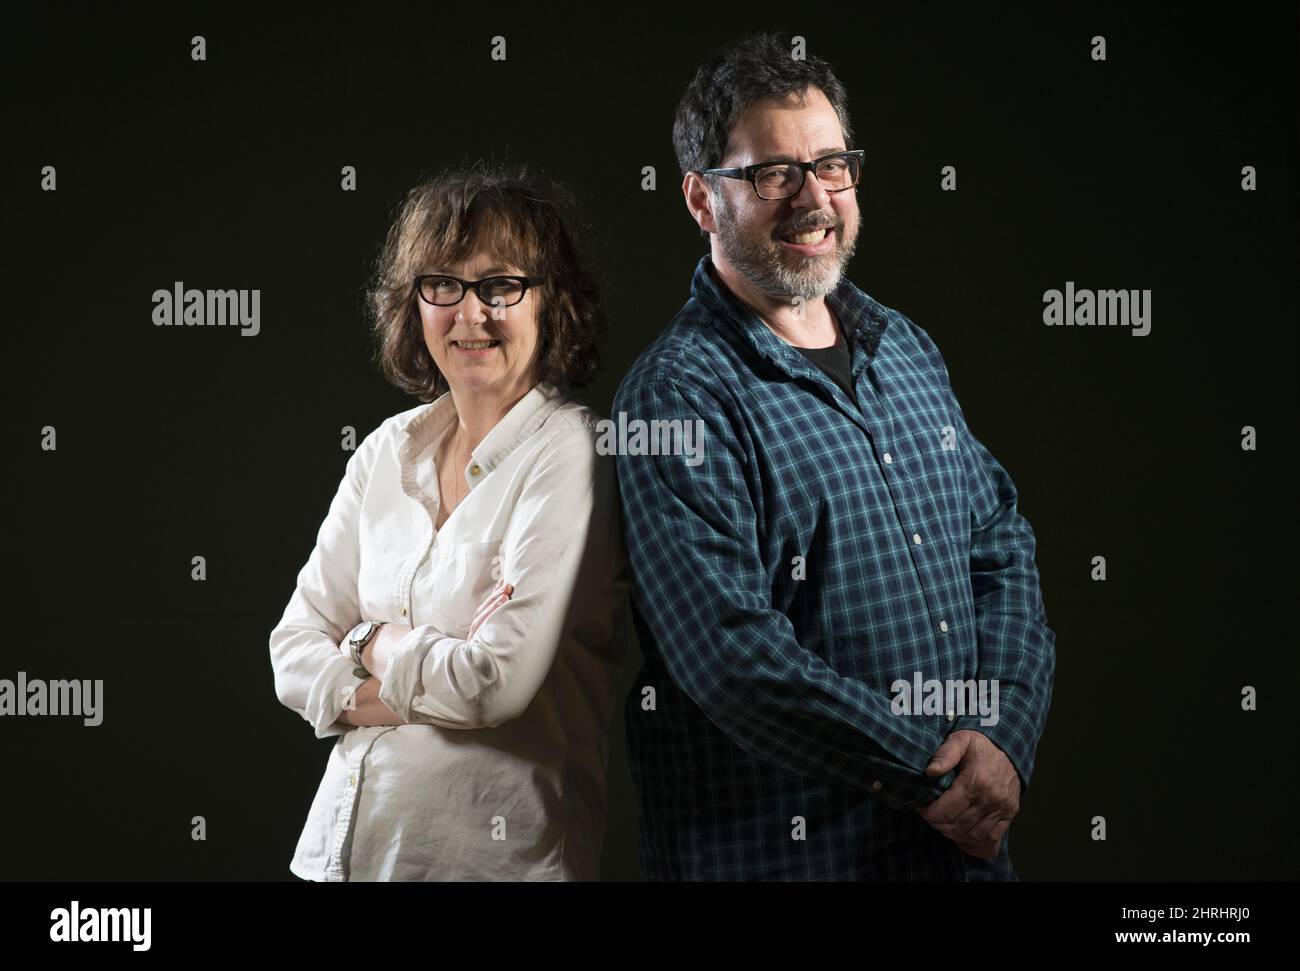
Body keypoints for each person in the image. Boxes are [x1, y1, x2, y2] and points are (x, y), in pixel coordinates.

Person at [613, 32, 1056, 880]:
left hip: (953, 860)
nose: (814, 197)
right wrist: (939, 780)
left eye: (832, 164)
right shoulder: (677, 397)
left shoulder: (906, 348)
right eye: (773, 172)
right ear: (702, 200)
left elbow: (1001, 544)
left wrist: (1003, 738)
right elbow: (731, 657)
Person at [269, 162, 627, 881]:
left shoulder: (573, 452)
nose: (472, 314)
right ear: (415, 302)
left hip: (493, 864)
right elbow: (291, 650)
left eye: (501, 285)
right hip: (337, 856)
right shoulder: (383, 452)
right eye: (444, 285)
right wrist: (417, 681)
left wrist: (368, 637)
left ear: (550, 302)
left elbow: (495, 682)